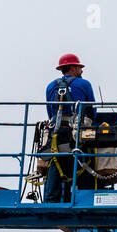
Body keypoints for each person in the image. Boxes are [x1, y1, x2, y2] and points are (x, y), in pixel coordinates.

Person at [43, 53, 96, 203]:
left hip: (57, 132)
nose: (81, 70)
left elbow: (50, 113)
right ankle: (85, 198)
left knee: (56, 161)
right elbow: (92, 110)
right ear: (73, 68)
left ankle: (51, 199)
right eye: (79, 67)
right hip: (78, 132)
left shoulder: (51, 86)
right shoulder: (84, 84)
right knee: (85, 160)